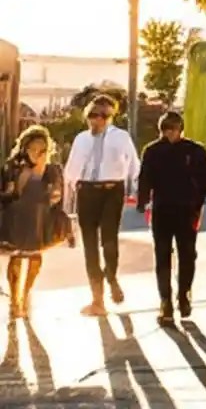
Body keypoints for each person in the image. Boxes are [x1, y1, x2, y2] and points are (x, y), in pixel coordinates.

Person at [63, 94, 140, 316]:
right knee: (89, 246)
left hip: (111, 191)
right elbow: (71, 170)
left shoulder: (121, 137)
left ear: (111, 117)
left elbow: (134, 166)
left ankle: (112, 278)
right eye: (93, 115)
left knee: (109, 240)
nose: (98, 120)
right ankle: (97, 300)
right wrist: (68, 203)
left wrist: (136, 193)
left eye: (104, 115)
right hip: (87, 191)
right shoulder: (81, 139)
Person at [137, 112, 206, 326]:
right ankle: (165, 302)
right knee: (162, 256)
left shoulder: (194, 151)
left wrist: (197, 203)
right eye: (165, 130)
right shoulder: (152, 151)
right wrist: (143, 201)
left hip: (187, 210)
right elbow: (145, 178)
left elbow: (205, 179)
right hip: (162, 209)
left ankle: (184, 294)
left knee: (187, 254)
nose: (169, 134)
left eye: (173, 129)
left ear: (181, 129)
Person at [0, 126, 68, 319]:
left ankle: (26, 294)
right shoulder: (13, 167)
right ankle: (14, 300)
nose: (38, 153)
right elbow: (10, 194)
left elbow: (56, 197)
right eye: (33, 149)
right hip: (17, 217)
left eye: (42, 150)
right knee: (16, 256)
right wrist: (27, 171)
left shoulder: (52, 170)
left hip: (40, 218)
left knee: (35, 259)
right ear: (24, 148)